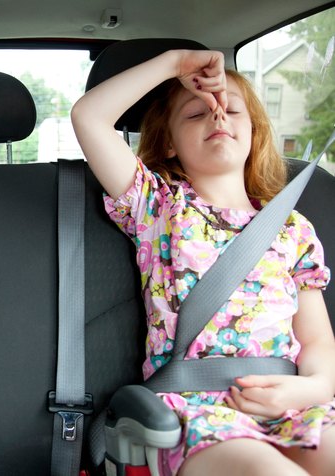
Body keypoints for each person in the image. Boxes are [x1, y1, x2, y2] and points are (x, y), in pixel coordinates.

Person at [72, 49, 335, 475]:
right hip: (195, 409)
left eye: (232, 110)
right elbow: (89, 117)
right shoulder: (157, 206)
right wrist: (175, 64)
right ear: (170, 144)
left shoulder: (293, 228)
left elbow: (319, 340)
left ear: (253, 133)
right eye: (197, 114)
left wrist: (314, 387)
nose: (218, 118)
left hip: (291, 400)